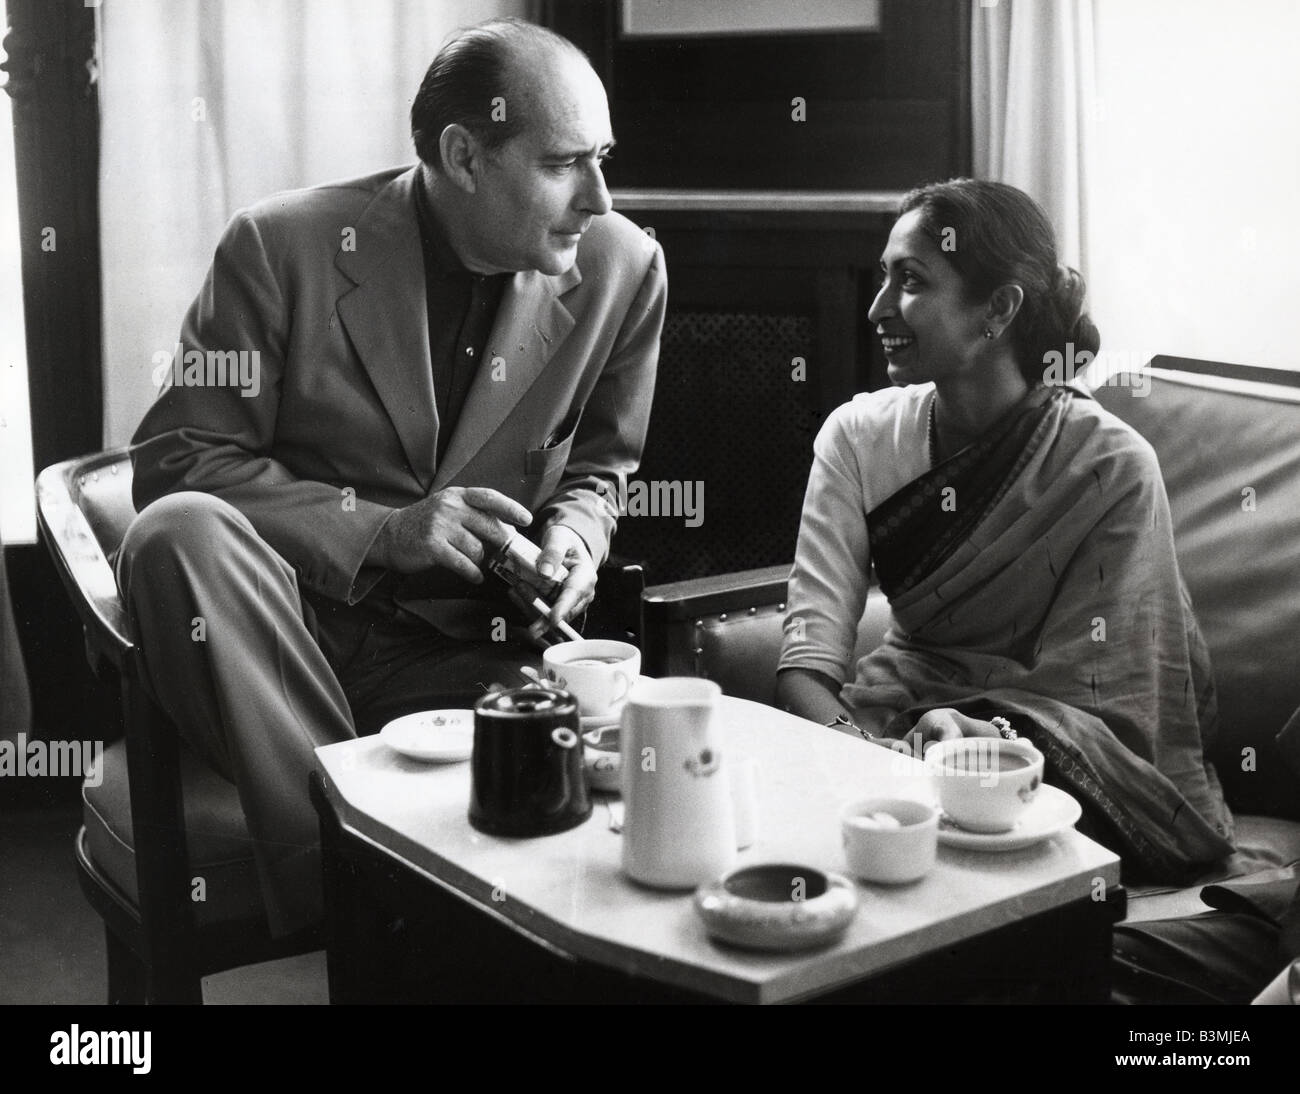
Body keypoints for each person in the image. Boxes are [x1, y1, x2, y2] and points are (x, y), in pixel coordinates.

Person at [118, 18, 665, 936]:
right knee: (175, 530)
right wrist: (383, 530)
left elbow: (601, 469)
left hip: (480, 657)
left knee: (655, 755)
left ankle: (373, 884)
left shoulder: (626, 269)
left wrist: (575, 535)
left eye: (601, 159)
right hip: (284, 643)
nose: (598, 199)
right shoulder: (278, 248)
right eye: (564, 164)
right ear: (464, 156)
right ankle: (344, 891)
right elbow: (178, 459)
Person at [776, 178, 1234, 885]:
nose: (877, 309)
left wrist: (982, 743)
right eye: (883, 279)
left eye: (910, 282)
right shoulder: (859, 437)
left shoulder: (1109, 466)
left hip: (1041, 762)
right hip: (888, 731)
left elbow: (1111, 703)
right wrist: (864, 753)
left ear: (998, 309)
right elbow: (807, 665)